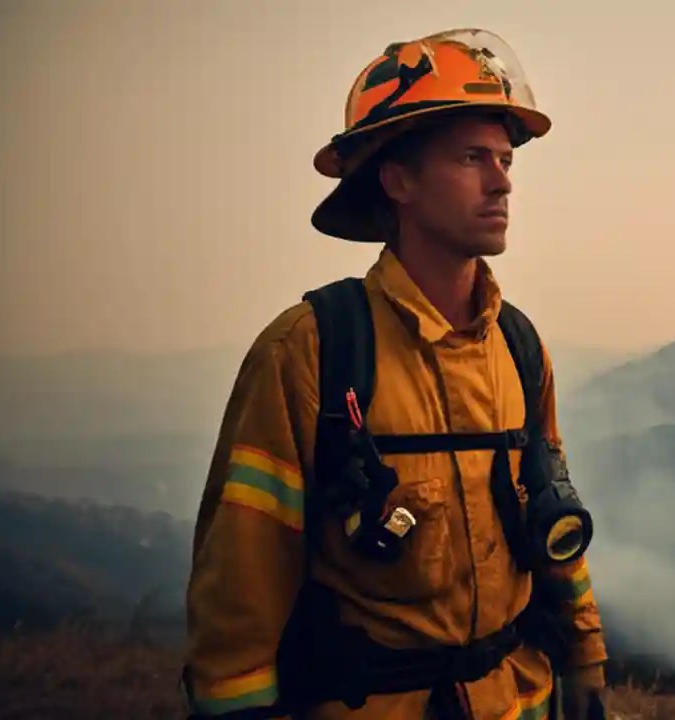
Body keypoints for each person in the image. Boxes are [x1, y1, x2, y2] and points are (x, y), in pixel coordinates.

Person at [181, 28, 608, 720]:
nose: (502, 181)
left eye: (505, 160)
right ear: (398, 179)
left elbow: (552, 516)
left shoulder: (518, 349)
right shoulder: (310, 352)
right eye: (473, 158)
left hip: (516, 703)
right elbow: (240, 596)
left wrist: (585, 655)